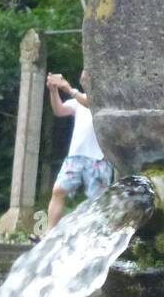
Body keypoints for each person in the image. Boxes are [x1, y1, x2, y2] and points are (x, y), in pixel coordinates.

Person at [43, 70, 113, 230]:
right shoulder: (77, 100)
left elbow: (90, 103)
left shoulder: (103, 99)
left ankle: (97, 237)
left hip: (99, 158)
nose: (84, 73)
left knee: (98, 202)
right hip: (75, 156)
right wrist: (53, 91)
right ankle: (49, 233)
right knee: (58, 191)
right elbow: (59, 110)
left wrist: (68, 88)